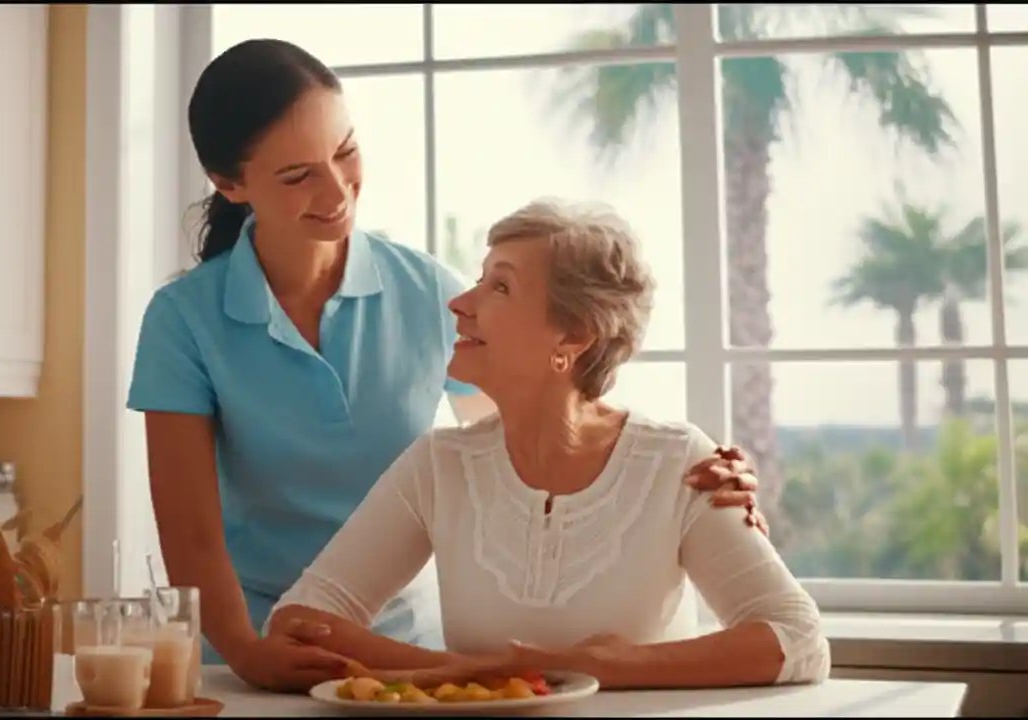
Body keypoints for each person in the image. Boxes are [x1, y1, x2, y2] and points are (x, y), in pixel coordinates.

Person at [126, 38, 768, 693]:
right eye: (297, 176)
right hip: (250, 655)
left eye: (345, 151)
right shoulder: (183, 321)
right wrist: (246, 651)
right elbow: (193, 536)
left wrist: (686, 472)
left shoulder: (428, 291)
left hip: (411, 659)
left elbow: (521, 443)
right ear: (230, 184)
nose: (336, 189)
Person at [265, 199, 830, 690]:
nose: (461, 303)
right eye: (480, 279)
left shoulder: (679, 463)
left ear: (575, 335)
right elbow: (294, 623)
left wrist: (589, 665)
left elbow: (799, 641)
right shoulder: (440, 467)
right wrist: (477, 677)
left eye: (500, 286)